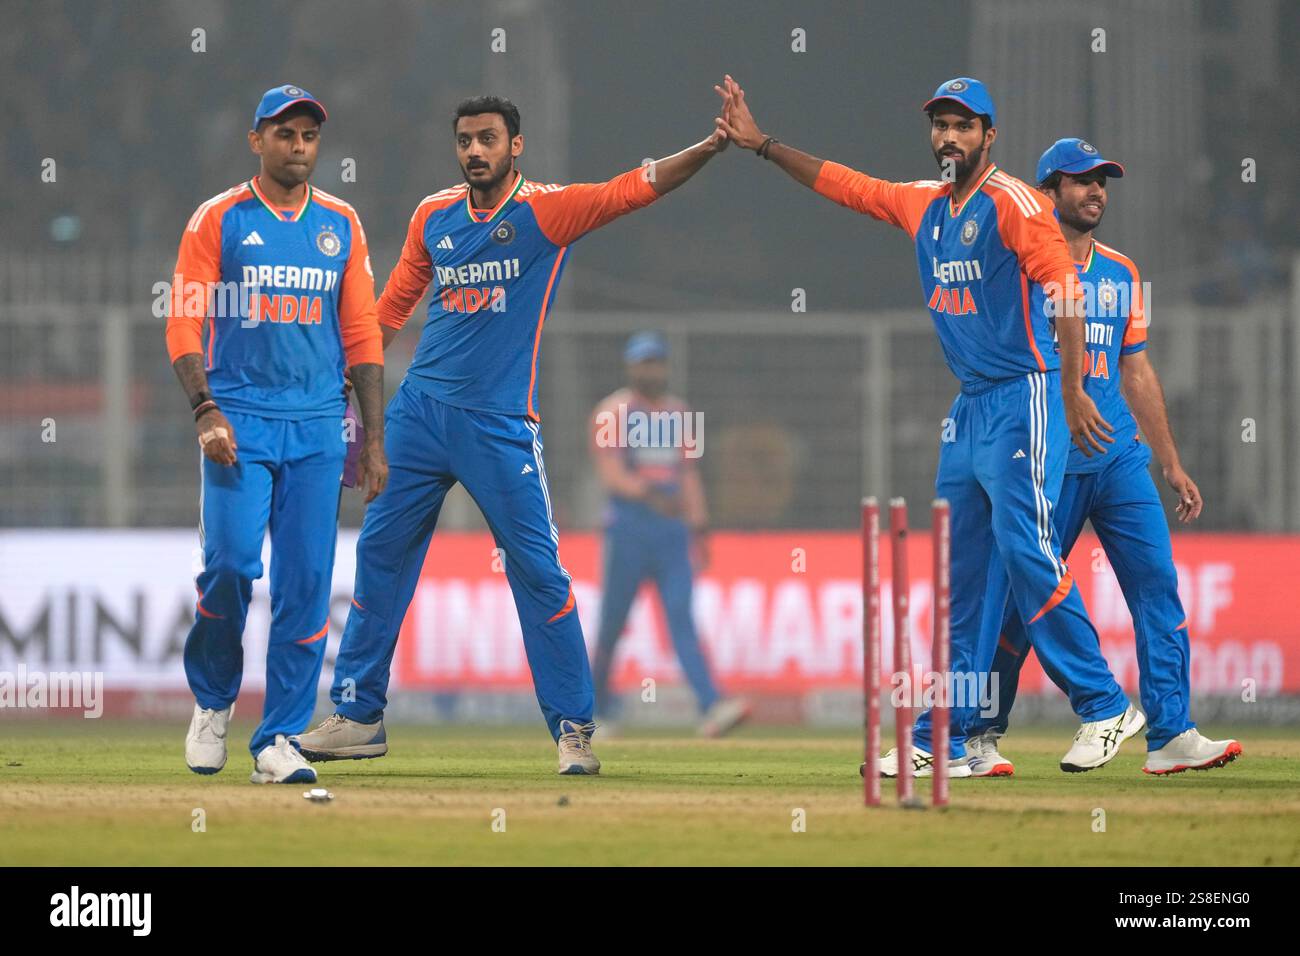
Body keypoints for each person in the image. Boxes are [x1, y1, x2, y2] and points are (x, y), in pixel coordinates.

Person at [716, 75, 1144, 776]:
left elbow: (1066, 289)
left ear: (989, 136)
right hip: (971, 406)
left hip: (1025, 395)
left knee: (1025, 549)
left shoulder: (1017, 205)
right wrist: (763, 145)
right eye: (940, 124)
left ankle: (1104, 704)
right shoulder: (924, 203)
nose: (949, 136)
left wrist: (1070, 392)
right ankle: (943, 739)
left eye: (963, 125)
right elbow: (844, 184)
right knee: (961, 581)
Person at [293, 95, 731, 775]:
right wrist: (344, 379)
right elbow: (391, 308)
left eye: (488, 139)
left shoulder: (545, 212)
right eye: (465, 140)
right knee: (379, 558)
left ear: (515, 146)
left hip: (498, 426)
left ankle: (573, 728)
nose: (474, 151)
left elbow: (632, 189)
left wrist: (708, 147)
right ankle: (358, 714)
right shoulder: (432, 217)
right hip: (418, 415)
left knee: (538, 572)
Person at [964, 138, 1241, 776]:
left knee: (1157, 588)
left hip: (1118, 460)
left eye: (1102, 183)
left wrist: (1170, 462)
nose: (1096, 192)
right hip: (1047, 458)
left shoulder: (1121, 272)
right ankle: (980, 734)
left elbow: (1135, 369)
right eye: (1082, 181)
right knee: (1020, 604)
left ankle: (1171, 733)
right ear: (1048, 191)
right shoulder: (1019, 264)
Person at [167, 84, 387, 784]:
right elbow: (184, 320)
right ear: (256, 139)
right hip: (240, 419)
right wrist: (205, 409)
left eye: (309, 136)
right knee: (230, 564)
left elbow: (362, 334)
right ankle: (211, 702)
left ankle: (279, 739)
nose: (299, 147)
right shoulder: (220, 219)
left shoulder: (342, 223)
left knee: (306, 584)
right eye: (285, 134)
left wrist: (373, 439)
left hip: (320, 426)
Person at [589, 332, 750, 737]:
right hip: (628, 527)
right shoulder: (613, 411)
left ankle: (712, 706)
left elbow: (689, 475)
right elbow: (610, 474)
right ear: (630, 367)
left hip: (671, 532)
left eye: (656, 362)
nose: (651, 370)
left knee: (681, 617)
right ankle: (593, 710)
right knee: (612, 623)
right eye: (644, 363)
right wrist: (648, 494)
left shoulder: (681, 414)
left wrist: (700, 528)